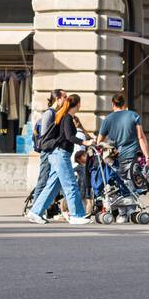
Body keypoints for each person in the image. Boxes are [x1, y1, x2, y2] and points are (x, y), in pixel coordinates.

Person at [26, 94, 92, 225]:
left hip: (58, 154)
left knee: (52, 186)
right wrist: (85, 143)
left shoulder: (64, 116)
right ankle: (76, 215)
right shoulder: (67, 117)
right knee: (71, 184)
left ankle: (35, 212)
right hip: (60, 155)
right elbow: (69, 136)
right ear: (78, 104)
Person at [97, 93, 149, 175]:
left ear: (113, 104)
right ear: (124, 104)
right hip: (132, 156)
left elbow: (99, 141)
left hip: (115, 159)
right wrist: (147, 157)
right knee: (134, 180)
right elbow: (141, 138)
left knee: (120, 181)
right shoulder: (134, 116)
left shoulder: (107, 120)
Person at [30, 90, 66, 206]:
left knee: (53, 179)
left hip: (52, 150)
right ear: (58, 99)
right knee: (43, 179)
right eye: (65, 97)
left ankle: (47, 207)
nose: (66, 100)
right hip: (47, 151)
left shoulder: (56, 113)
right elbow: (45, 136)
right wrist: (57, 140)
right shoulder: (49, 114)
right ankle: (35, 208)